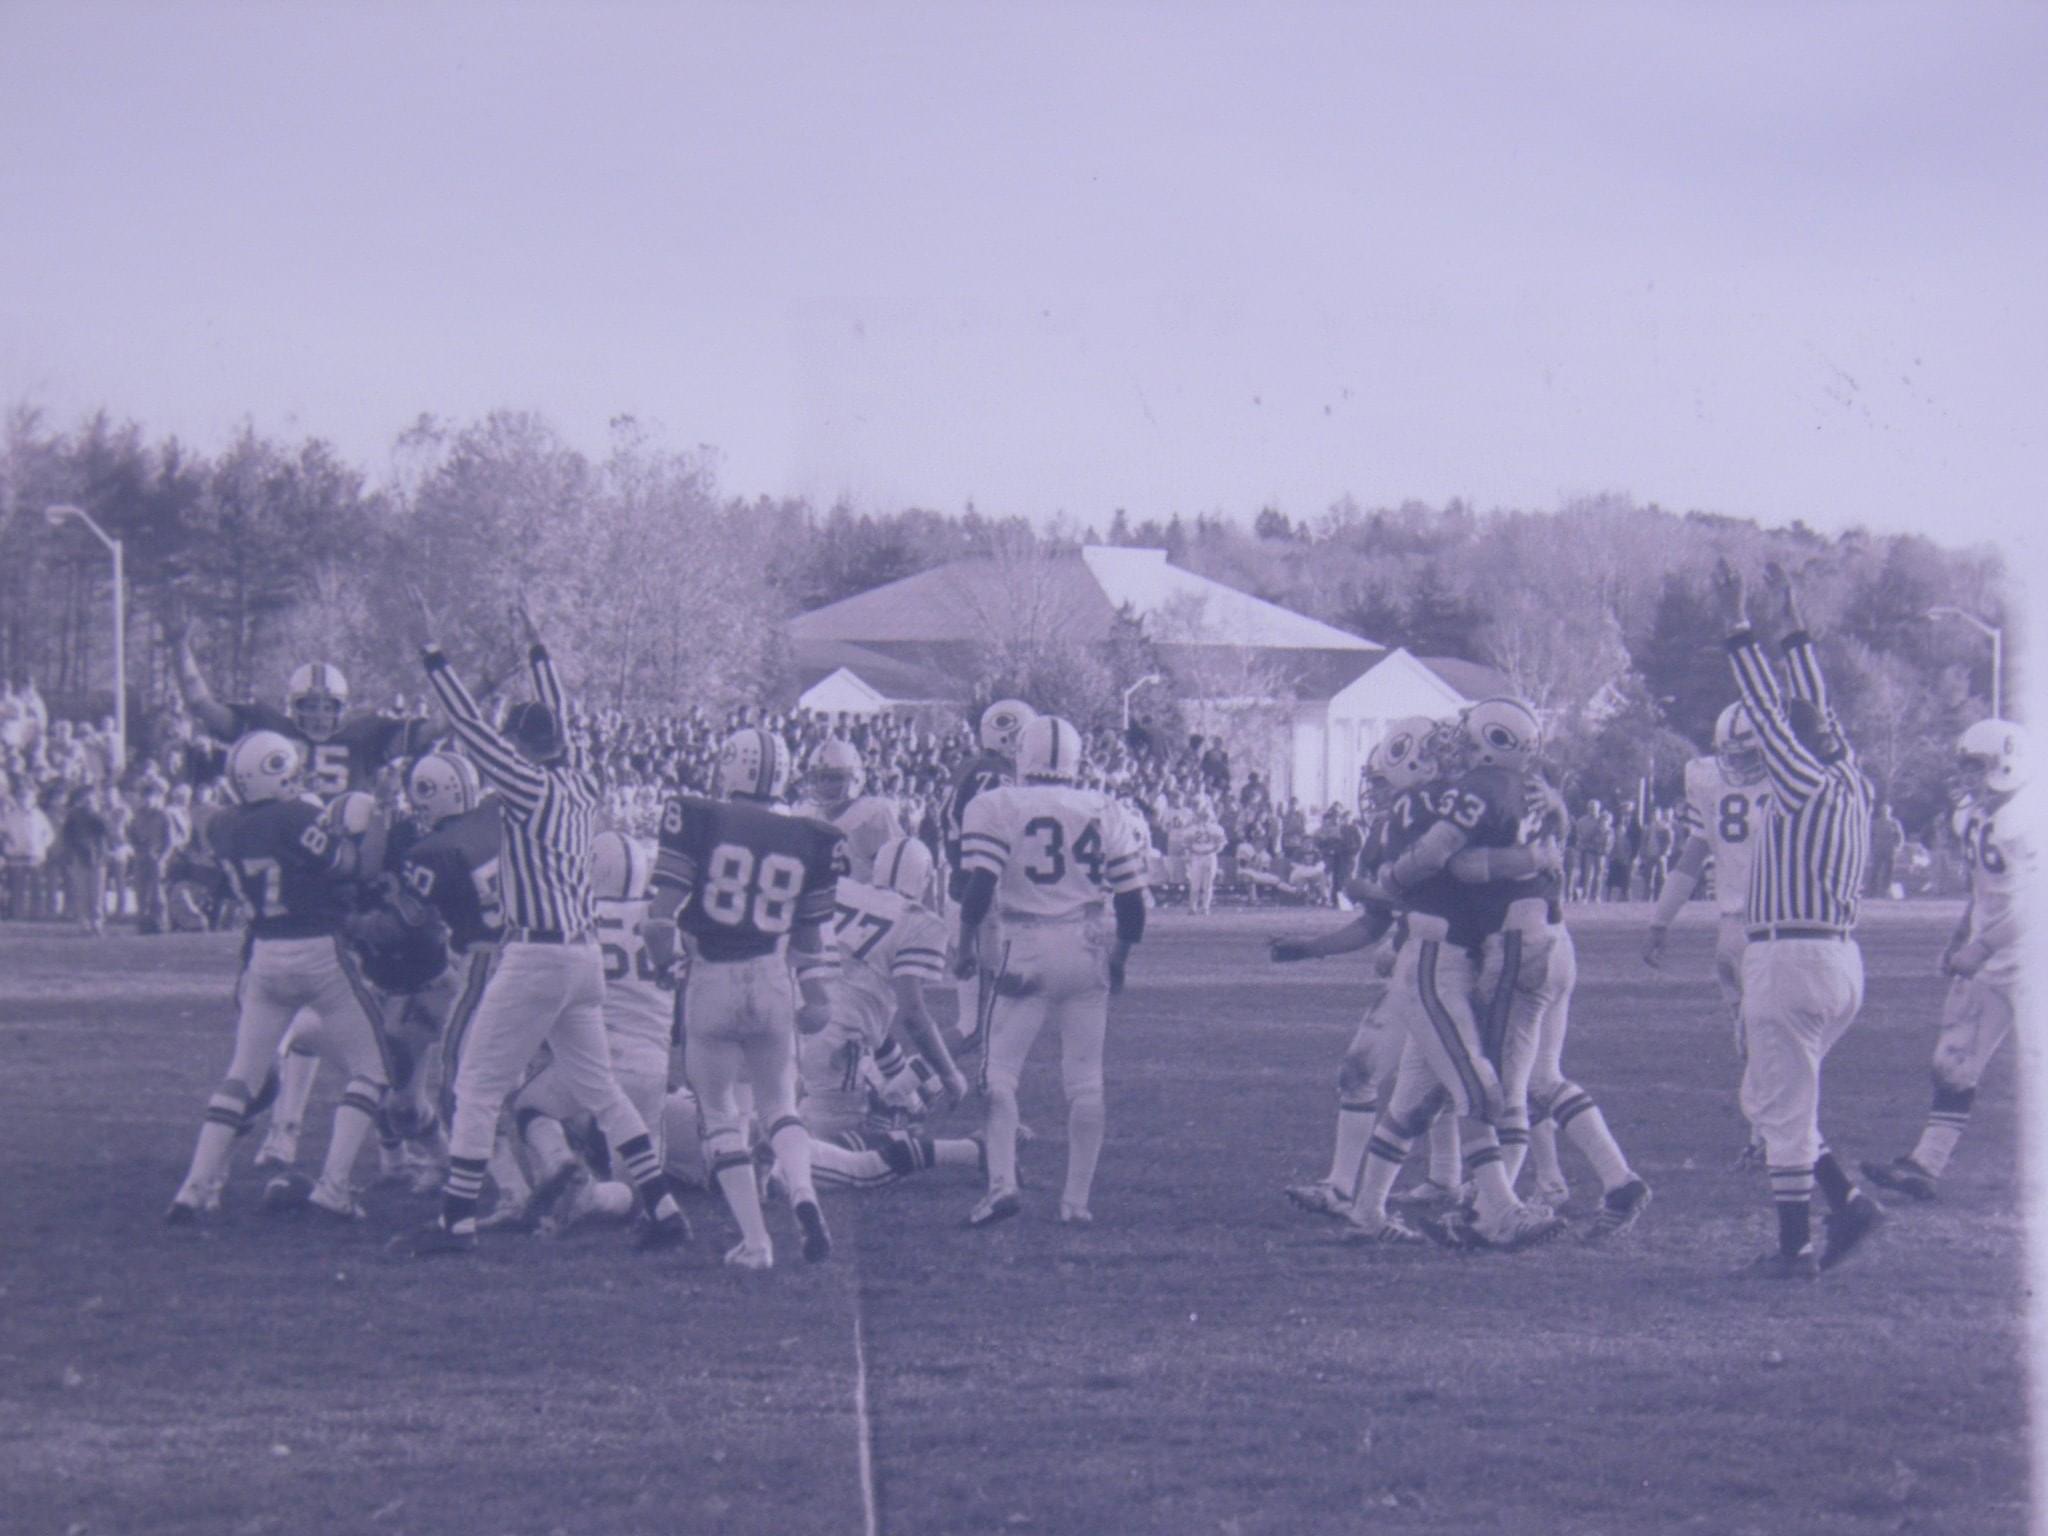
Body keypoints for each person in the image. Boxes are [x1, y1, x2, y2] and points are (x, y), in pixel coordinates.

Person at [398, 591, 689, 1257]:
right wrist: (537, 651)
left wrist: (433, 653)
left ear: (520, 746)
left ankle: (455, 1223)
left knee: (476, 1082)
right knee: (602, 1088)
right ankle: (664, 1209)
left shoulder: (527, 787)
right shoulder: (581, 782)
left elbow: (470, 727)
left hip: (536, 955)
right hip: (581, 955)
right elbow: (561, 713)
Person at [1713, 560, 1883, 1279]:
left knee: (1779, 1107)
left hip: (1792, 957)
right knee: (1776, 1095)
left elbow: (1775, 709)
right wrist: (1793, 626)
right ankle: (1846, 1200)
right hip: (1840, 960)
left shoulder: (1805, 778)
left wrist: (1738, 622)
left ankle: (1794, 1250)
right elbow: (1813, 708)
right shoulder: (1850, 777)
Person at [166, 732, 391, 1223]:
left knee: (242, 1077)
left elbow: (211, 878)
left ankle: (195, 1187)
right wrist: (380, 821)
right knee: (373, 1067)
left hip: (263, 955)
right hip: (319, 950)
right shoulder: (297, 816)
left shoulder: (223, 824)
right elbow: (357, 868)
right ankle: (334, 1187)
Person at [644, 725, 844, 1271]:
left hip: (712, 977)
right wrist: (816, 993)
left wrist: (665, 968)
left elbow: (660, 922)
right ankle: (802, 1192)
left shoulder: (699, 815)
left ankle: (756, 1242)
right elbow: (809, 939)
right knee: (780, 1104)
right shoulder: (811, 835)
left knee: (719, 1114)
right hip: (771, 975)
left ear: (730, 767)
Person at [956, 715, 1149, 1227]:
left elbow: (978, 888)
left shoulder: (998, 804)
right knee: (1085, 1080)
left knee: (998, 1073)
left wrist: (963, 943)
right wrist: (1122, 956)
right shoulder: (1104, 807)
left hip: (1026, 943)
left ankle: (1001, 1183)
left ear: (1023, 754)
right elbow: (1133, 901)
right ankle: (1076, 1203)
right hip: (1087, 942)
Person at [1864, 721, 2031, 1201]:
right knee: (1953, 1061)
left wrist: (1982, 945)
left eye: (1974, 767)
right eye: (1963, 767)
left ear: (2006, 764)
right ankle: (1925, 1165)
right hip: (1993, 957)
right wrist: (1961, 936)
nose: (1966, 777)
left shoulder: (2028, 816)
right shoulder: (1974, 817)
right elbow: (1984, 892)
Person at [1644, 701, 1777, 1164]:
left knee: (1763, 1040)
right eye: (1731, 755)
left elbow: (1692, 855)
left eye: (1746, 755)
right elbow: (1692, 853)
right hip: (1747, 930)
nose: (1737, 766)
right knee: (1756, 1042)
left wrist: (1662, 921)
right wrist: (1661, 918)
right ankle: (1770, 1135)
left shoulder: (1726, 778)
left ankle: (1767, 1136)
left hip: (1759, 929)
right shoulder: (1718, 779)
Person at [128, 782, 176, 934]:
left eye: (151, 797)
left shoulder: (163, 815)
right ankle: (142, 923)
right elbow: (130, 833)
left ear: (157, 798)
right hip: (141, 855)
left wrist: (163, 858)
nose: (147, 800)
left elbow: (170, 840)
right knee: (140, 891)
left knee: (157, 893)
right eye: (144, 797)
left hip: (157, 856)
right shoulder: (137, 814)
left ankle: (160, 923)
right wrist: (135, 846)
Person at [1868, 800, 1905, 899]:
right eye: (1883, 811)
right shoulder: (1875, 823)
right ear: (1880, 812)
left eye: (1886, 811)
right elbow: (1870, 836)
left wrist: (1898, 847)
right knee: (1875, 870)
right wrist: (1870, 847)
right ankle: (1872, 891)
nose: (1885, 812)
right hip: (1878, 848)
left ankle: (1886, 890)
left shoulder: (1894, 823)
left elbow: (1900, 836)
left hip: (1890, 849)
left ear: (1890, 812)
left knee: (1889, 870)